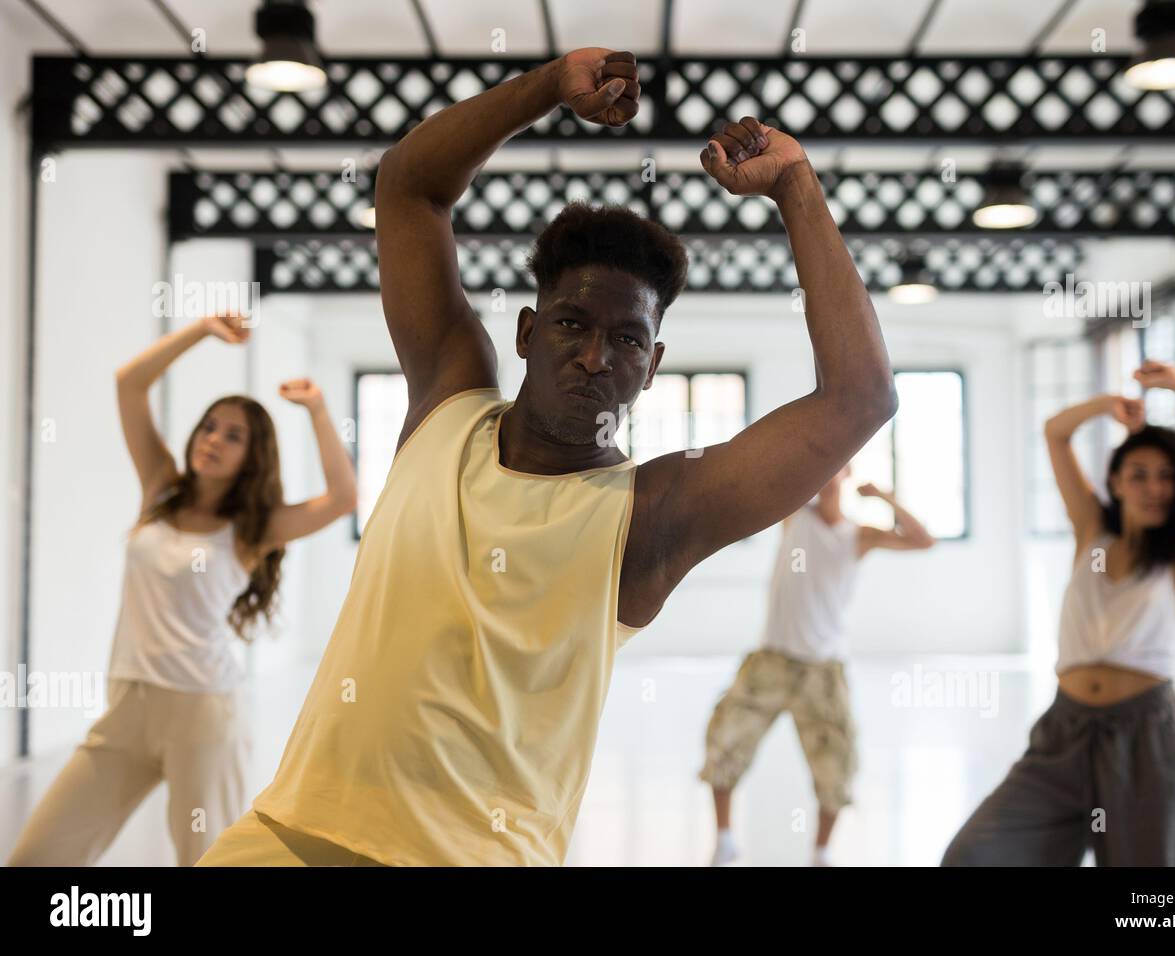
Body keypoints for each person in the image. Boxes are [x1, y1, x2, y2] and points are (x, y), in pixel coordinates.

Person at [197, 46, 896, 867]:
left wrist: (797, 188)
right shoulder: (446, 408)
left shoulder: (651, 517)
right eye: (572, 325)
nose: (597, 357)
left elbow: (859, 398)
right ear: (527, 333)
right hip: (281, 838)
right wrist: (546, 86)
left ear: (653, 366)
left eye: (628, 340)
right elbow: (408, 189)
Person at [7, 313, 358, 867]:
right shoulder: (160, 489)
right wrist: (201, 331)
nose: (213, 439)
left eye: (233, 435)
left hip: (203, 716)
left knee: (205, 859)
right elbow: (129, 383)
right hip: (127, 709)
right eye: (209, 426)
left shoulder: (252, 527)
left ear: (253, 457)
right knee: (39, 856)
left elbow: (342, 498)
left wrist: (317, 408)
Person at [942, 360, 1175, 866]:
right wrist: (1106, 407)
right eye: (1139, 474)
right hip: (1065, 729)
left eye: (1166, 476)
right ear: (1116, 482)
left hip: (1147, 735)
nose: (1153, 487)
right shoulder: (1091, 535)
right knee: (976, 854)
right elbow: (1055, 434)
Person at [702, 469, 934, 866]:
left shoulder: (858, 535)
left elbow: (923, 540)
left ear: (846, 475)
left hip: (823, 670)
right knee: (724, 741)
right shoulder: (795, 514)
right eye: (822, 467)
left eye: (836, 468)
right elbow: (771, 484)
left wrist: (884, 498)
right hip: (772, 660)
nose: (826, 476)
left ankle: (821, 852)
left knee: (837, 764)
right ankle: (724, 840)